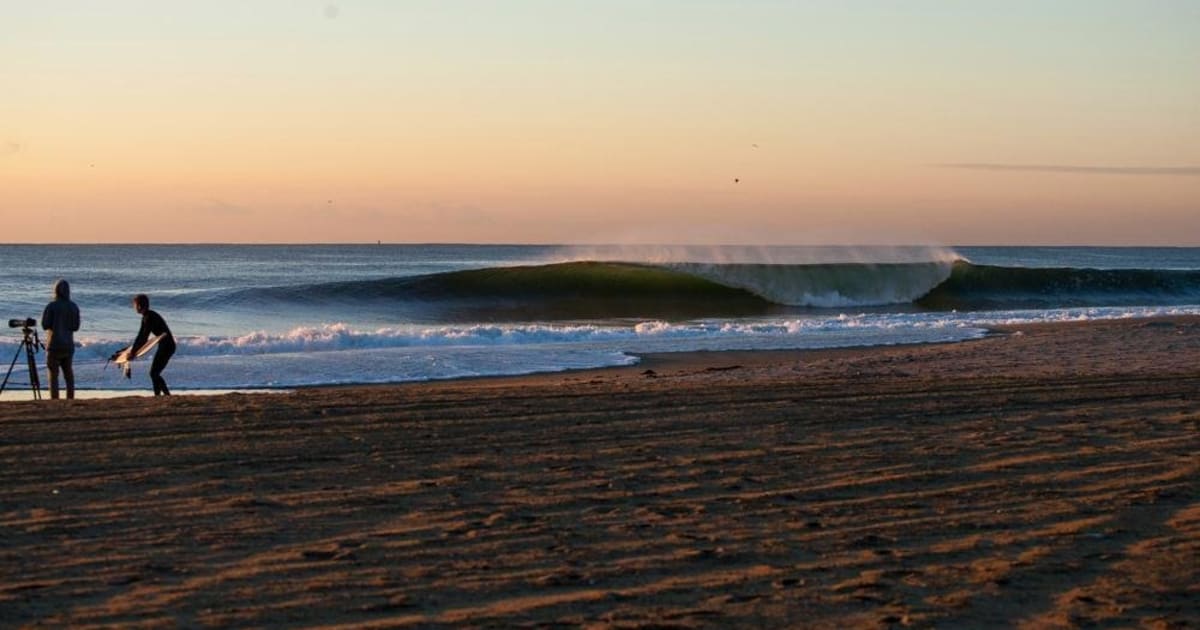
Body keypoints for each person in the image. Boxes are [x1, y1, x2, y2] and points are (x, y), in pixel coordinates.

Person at [128, 293, 176, 396]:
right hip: (165, 345)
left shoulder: (149, 317)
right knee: (154, 373)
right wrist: (133, 351)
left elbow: (143, 337)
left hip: (167, 346)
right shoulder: (147, 316)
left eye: (134, 305)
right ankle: (159, 396)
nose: (134, 307)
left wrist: (133, 352)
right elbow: (140, 335)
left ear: (139, 306)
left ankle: (165, 395)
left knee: (153, 373)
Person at [41, 279, 81, 400]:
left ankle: (55, 399)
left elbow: (45, 325)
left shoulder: (52, 306)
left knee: (53, 374)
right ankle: (70, 397)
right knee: (68, 373)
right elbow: (76, 327)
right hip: (68, 345)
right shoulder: (73, 306)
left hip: (54, 344)